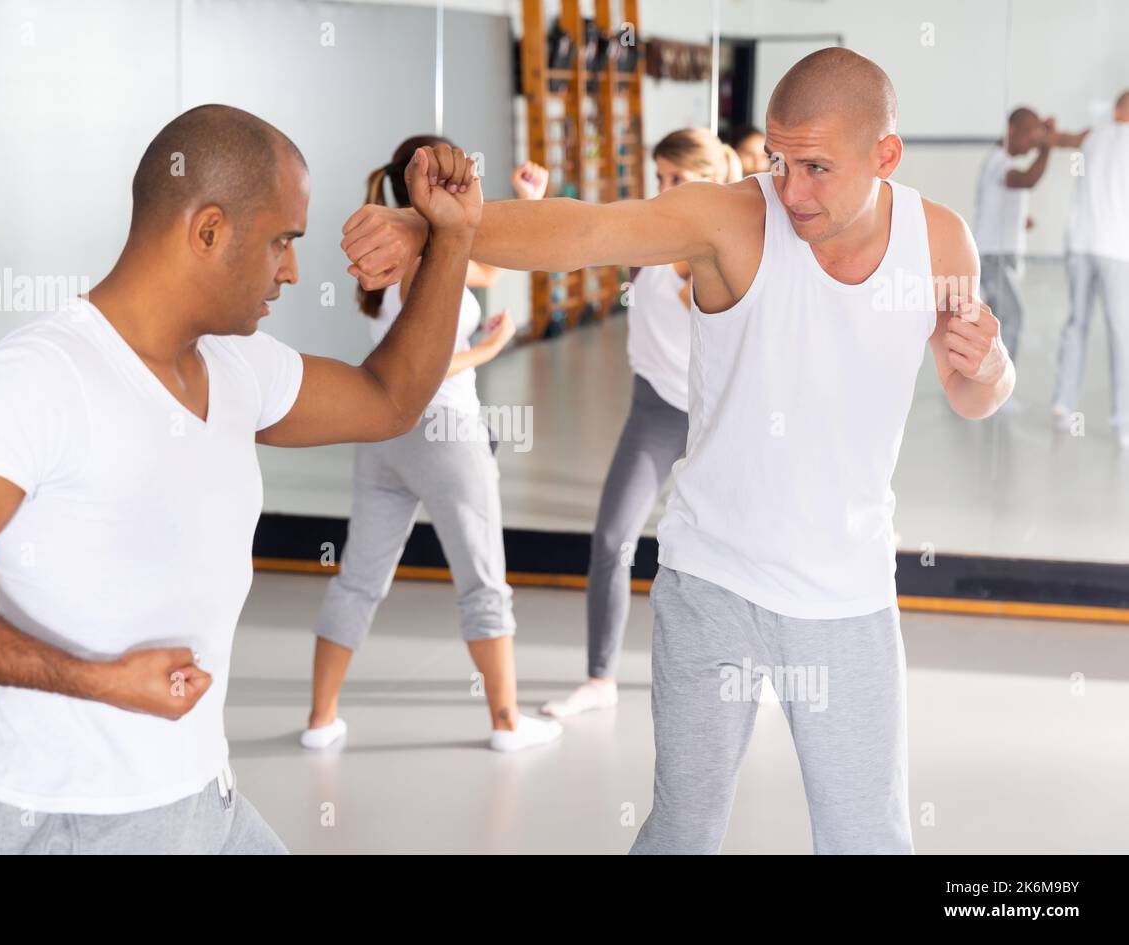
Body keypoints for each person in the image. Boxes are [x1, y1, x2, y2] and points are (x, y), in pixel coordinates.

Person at [342, 48, 1015, 854]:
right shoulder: (730, 216)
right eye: (777, 158)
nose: (790, 190)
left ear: (886, 155)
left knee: (868, 836)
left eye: (816, 167)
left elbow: (971, 391)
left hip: (847, 595)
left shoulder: (940, 241)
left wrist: (993, 366)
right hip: (714, 584)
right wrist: (427, 228)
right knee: (684, 832)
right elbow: (587, 227)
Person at [0, 105, 482, 854]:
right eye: (282, 241)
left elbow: (391, 399)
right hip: (77, 822)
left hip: (205, 797)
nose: (293, 270)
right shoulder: (41, 378)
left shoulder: (237, 367)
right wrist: (96, 680)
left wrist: (455, 236)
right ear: (208, 230)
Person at [302, 138, 563, 752]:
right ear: (433, 185)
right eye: (459, 173)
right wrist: (490, 351)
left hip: (382, 436)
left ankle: (321, 721)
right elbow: (431, 365)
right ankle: (506, 723)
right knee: (483, 581)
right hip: (445, 431)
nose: (468, 178)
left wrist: (527, 201)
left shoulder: (387, 258)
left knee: (359, 580)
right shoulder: (427, 263)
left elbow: (493, 266)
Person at [541, 128, 741, 719]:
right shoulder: (650, 239)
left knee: (733, 552)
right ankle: (600, 677)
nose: (664, 191)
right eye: (659, 178)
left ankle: (748, 674)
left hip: (717, 422)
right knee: (611, 539)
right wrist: (546, 197)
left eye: (677, 179)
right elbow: (581, 238)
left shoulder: (725, 251)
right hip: (653, 410)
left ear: (708, 179)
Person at [1047, 91, 1129, 445]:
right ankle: (1123, 420)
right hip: (1116, 250)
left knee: (1077, 323)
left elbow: (1056, 139)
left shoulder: (1093, 135)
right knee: (1120, 333)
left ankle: (1064, 404)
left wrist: (1047, 131)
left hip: (1081, 244)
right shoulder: (1096, 136)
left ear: (1115, 109)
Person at [974, 107, 1054, 363]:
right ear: (1012, 130)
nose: (1033, 143)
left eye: (1037, 137)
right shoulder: (999, 161)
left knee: (993, 324)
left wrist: (1021, 220)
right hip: (993, 257)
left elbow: (1008, 194)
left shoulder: (1004, 163)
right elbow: (1028, 179)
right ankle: (999, 390)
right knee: (1012, 317)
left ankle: (982, 388)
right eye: (1030, 135)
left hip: (1002, 254)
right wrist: (1048, 146)